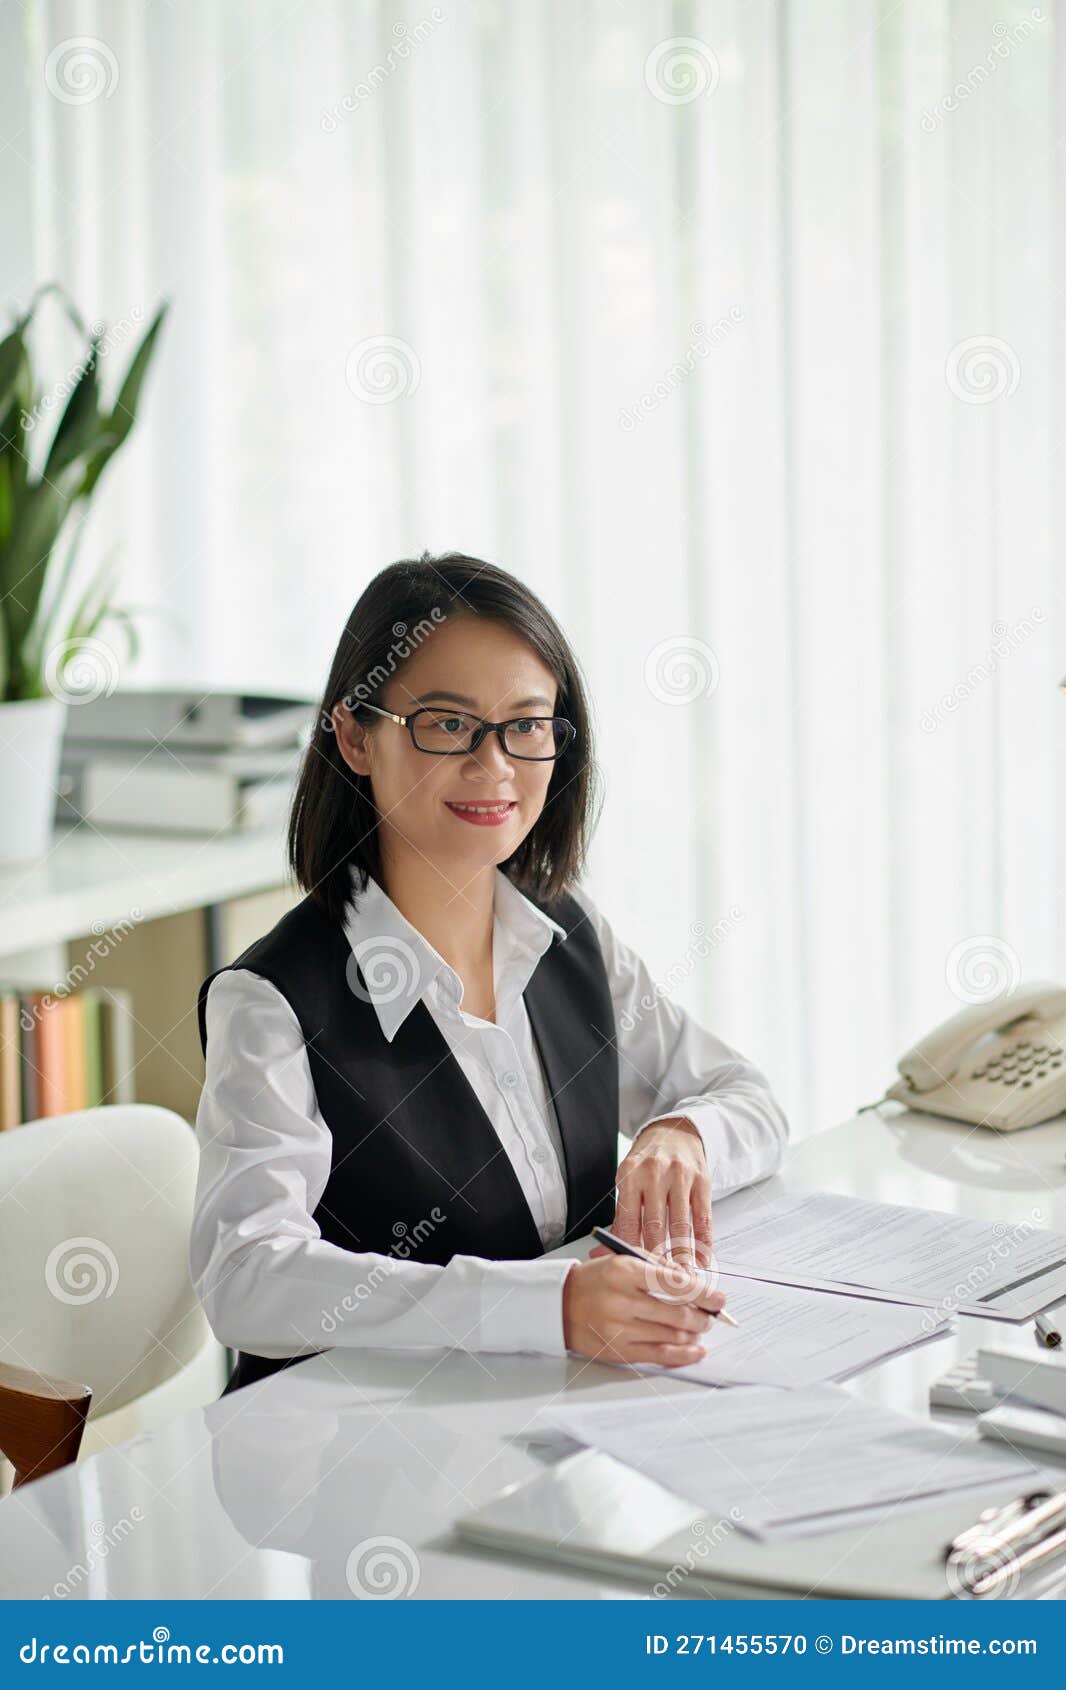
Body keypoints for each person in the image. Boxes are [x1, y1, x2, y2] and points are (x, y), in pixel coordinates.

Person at [190, 551, 788, 1393]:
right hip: (356, 1458)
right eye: (446, 723)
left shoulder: (569, 935)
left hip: (562, 1413)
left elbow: (749, 1099)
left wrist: (682, 1138)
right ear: (356, 737)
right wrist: (548, 1308)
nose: (495, 764)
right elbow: (247, 1279)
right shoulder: (276, 1000)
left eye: (527, 724)